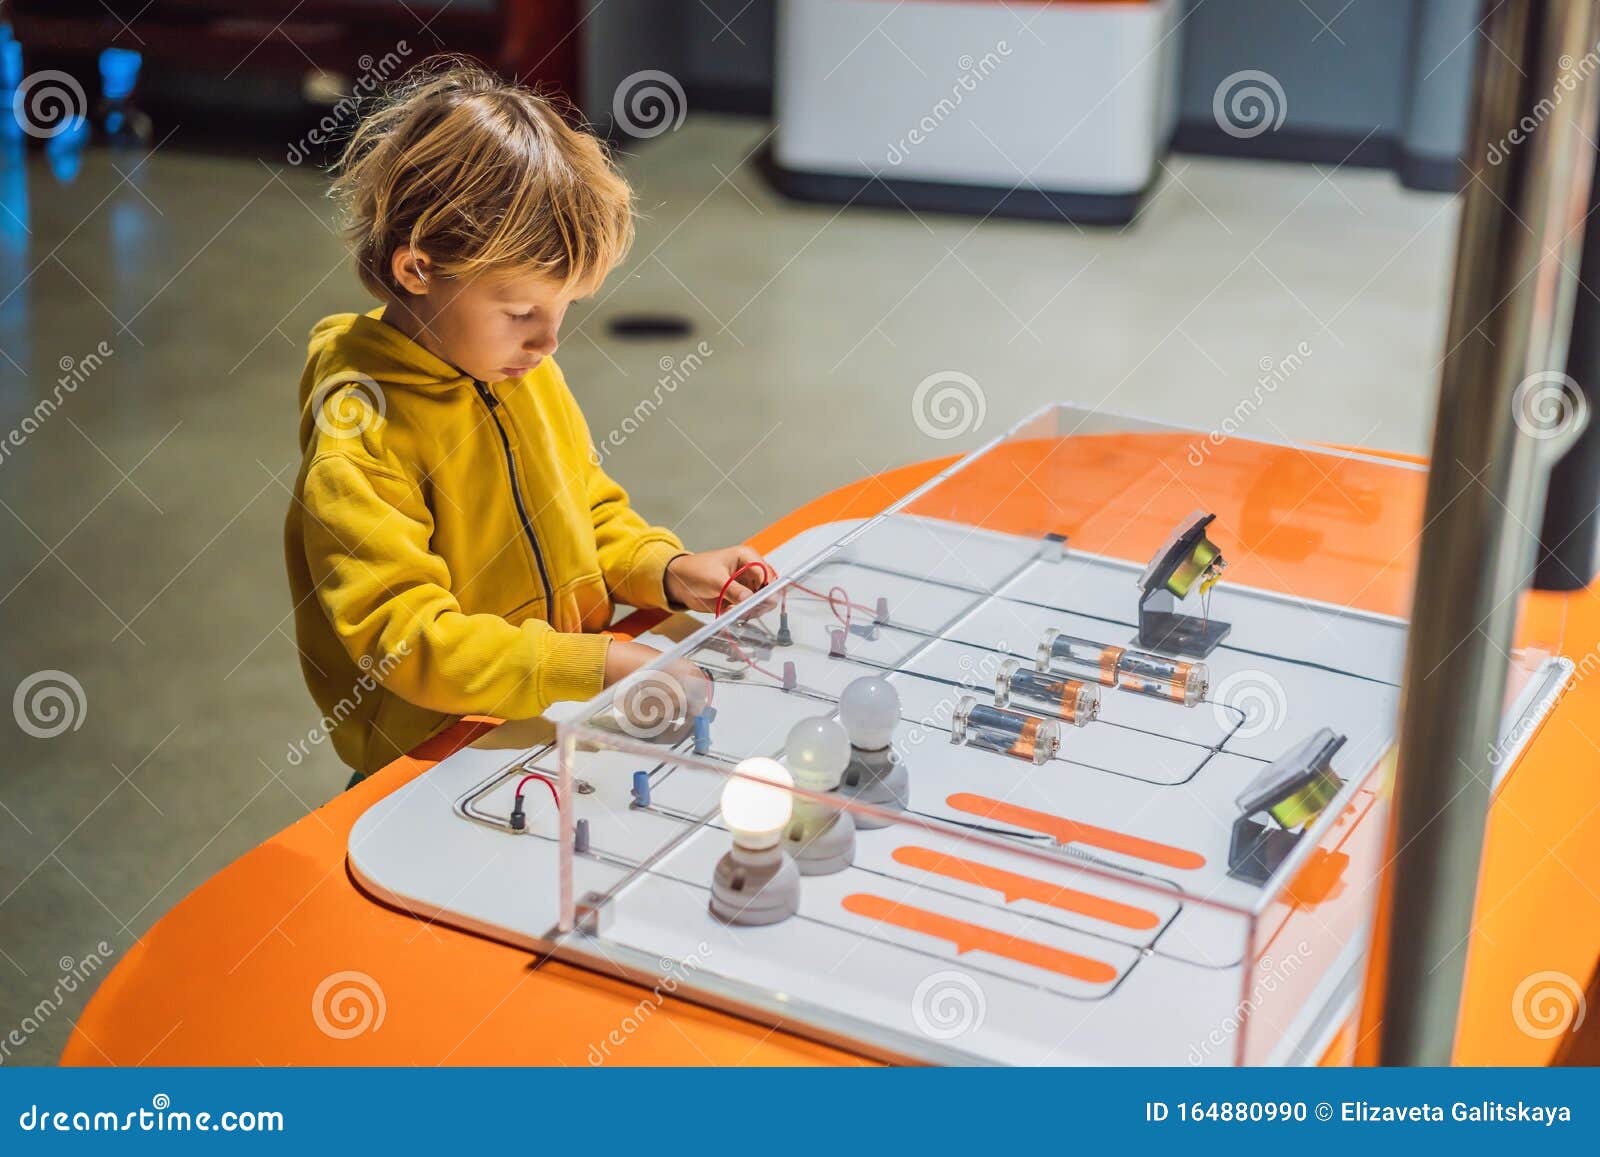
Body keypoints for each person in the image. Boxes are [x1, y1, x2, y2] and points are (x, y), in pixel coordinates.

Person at [284, 58, 765, 781]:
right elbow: (409, 640)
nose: (549, 341)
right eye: (520, 312)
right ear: (417, 270)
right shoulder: (362, 435)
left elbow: (586, 509)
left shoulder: (521, 370)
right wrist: (591, 661)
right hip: (433, 763)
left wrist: (663, 569)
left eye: (564, 308)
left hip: (549, 720)